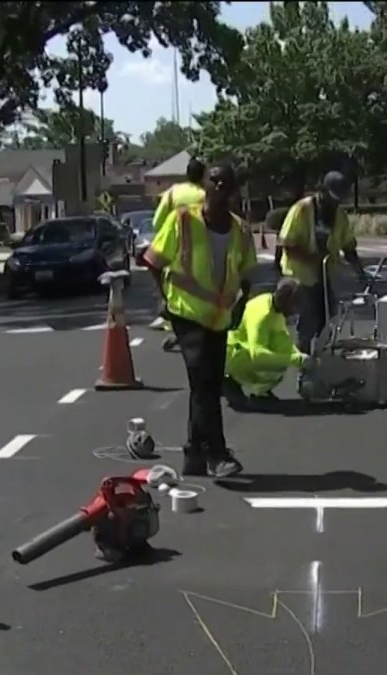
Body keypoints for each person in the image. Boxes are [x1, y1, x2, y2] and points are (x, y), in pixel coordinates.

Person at [142, 162, 256, 478]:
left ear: (234, 191)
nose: (220, 187)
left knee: (205, 385)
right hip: (186, 313)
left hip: (219, 318)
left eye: (227, 183)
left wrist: (242, 305)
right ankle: (217, 455)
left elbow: (247, 273)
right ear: (204, 185)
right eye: (215, 181)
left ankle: (194, 454)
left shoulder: (240, 230)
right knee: (205, 383)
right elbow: (152, 260)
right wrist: (162, 300)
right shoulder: (182, 220)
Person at [277, 171, 368, 375]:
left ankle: (322, 366)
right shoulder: (302, 209)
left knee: (328, 320)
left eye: (339, 199)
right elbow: (287, 244)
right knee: (308, 323)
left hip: (325, 276)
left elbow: (348, 246)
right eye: (333, 197)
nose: (335, 203)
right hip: (301, 276)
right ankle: (305, 371)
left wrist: (359, 271)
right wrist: (314, 258)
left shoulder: (339, 215)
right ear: (322, 191)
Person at [223, 277, 309, 405]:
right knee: (279, 362)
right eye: (294, 305)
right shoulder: (262, 315)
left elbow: (283, 340)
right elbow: (257, 354)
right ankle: (231, 380)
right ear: (285, 300)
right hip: (234, 353)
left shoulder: (274, 306)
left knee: (283, 357)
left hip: (242, 348)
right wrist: (296, 360)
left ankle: (261, 391)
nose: (295, 311)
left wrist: (303, 359)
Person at [150, 158, 207, 335]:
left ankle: (168, 313)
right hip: (200, 247)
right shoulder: (204, 195)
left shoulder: (173, 192)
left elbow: (156, 222)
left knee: (166, 279)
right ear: (203, 176)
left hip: (173, 246)